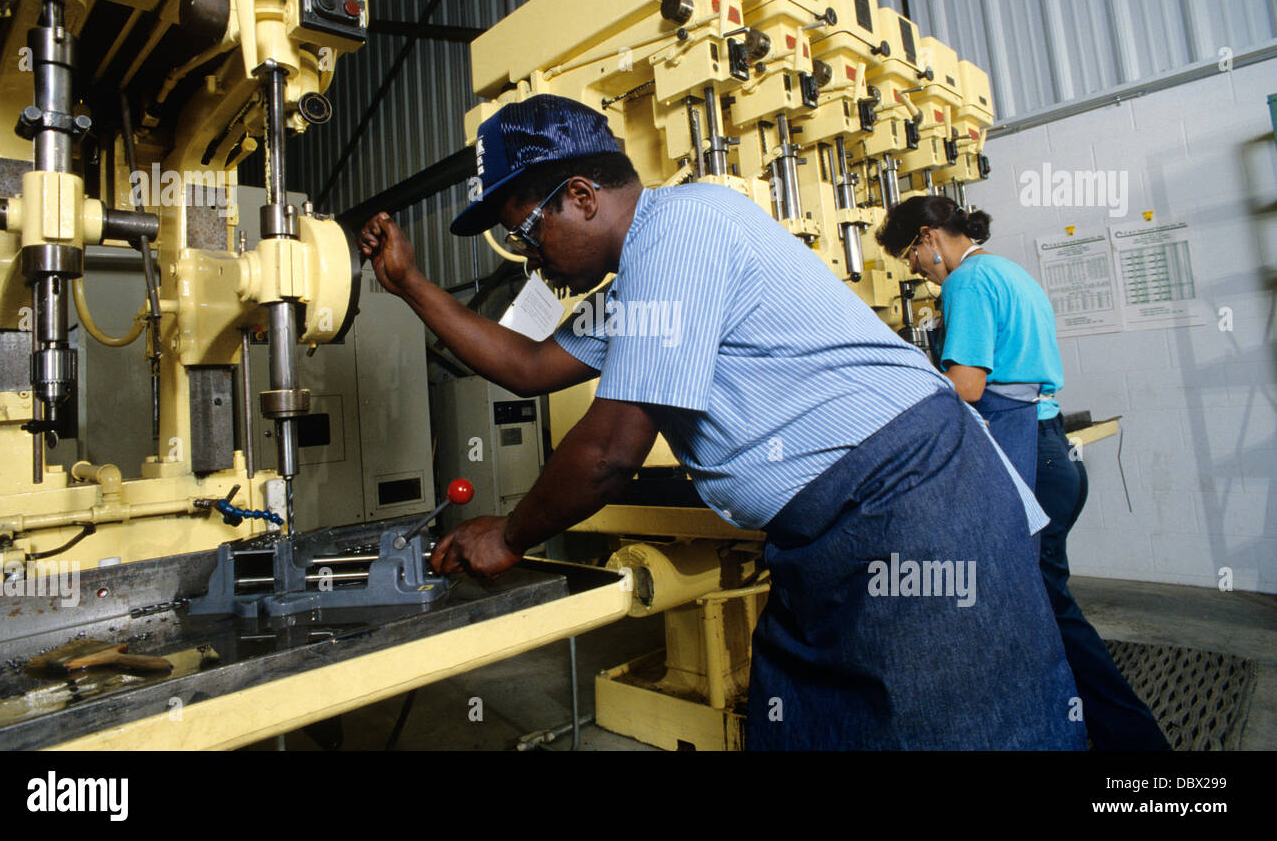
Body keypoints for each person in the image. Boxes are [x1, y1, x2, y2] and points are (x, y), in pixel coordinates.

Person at [360, 94, 1084, 750]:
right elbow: (528, 365)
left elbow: (612, 450)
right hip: (825, 536)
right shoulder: (634, 285)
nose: (531, 257)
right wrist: (410, 285)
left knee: (972, 734)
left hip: (914, 506)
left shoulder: (679, 230)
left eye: (526, 231)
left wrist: (509, 536)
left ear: (579, 197)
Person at [875, 195, 1170, 751]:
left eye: (911, 258)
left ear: (928, 238)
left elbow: (967, 387)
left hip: (1028, 456)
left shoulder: (967, 283)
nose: (916, 272)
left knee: (1046, 609)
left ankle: (1136, 748)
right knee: (1039, 606)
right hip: (1052, 451)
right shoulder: (1009, 272)